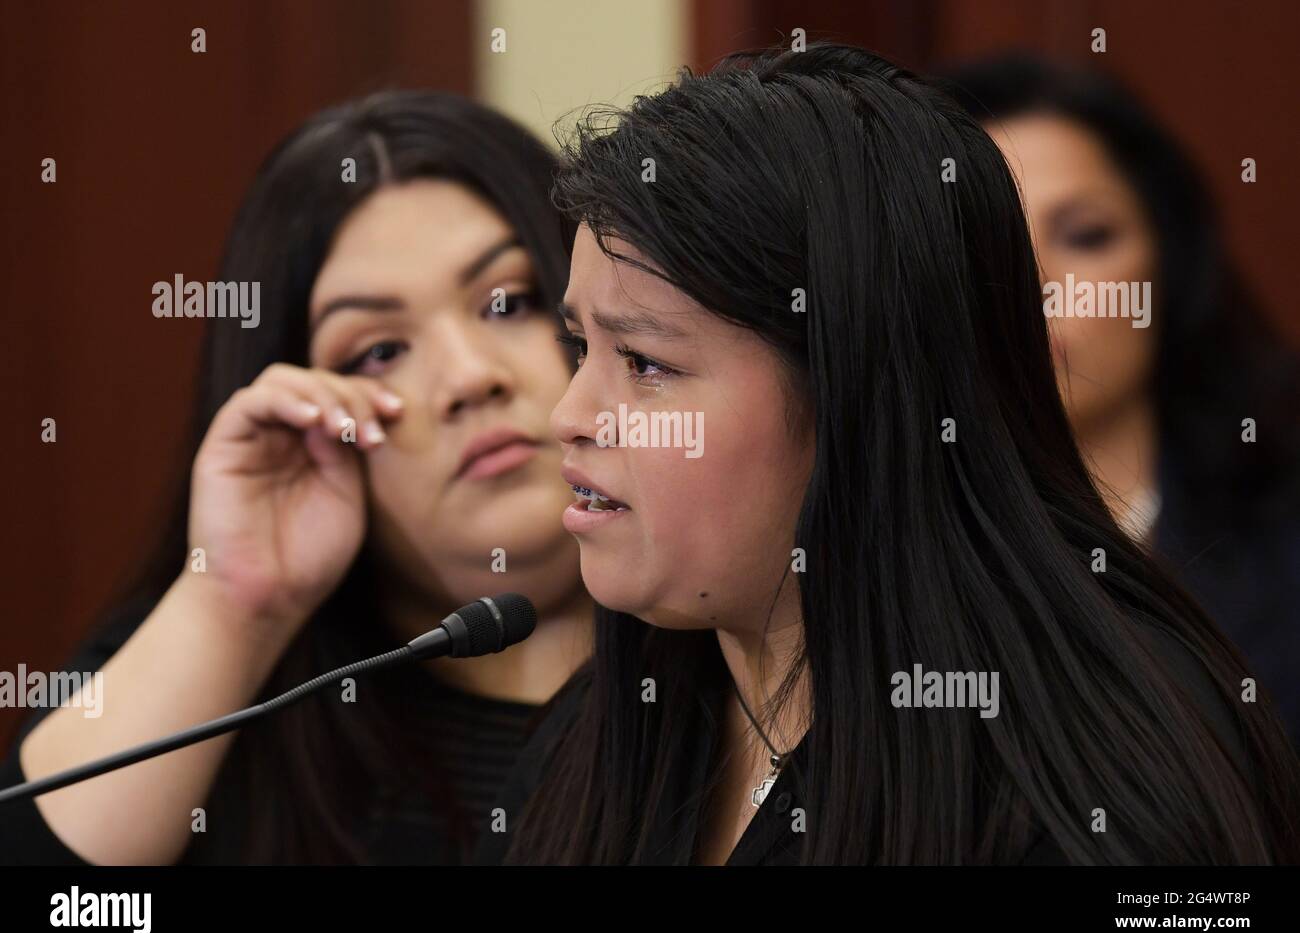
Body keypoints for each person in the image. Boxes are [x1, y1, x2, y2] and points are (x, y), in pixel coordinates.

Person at [474, 43, 1300, 866]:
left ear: (854, 391)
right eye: (581, 347)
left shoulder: (1103, 793)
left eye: (646, 364)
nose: (570, 416)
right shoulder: (599, 734)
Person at [0, 91, 591, 864]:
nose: (470, 377)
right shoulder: (225, 674)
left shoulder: (745, 657)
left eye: (509, 301)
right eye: (379, 351)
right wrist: (237, 602)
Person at [935, 54, 1300, 742]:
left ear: (1169, 262)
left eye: (1085, 236)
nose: (1033, 281)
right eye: (982, 242)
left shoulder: (1282, 538)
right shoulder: (870, 555)